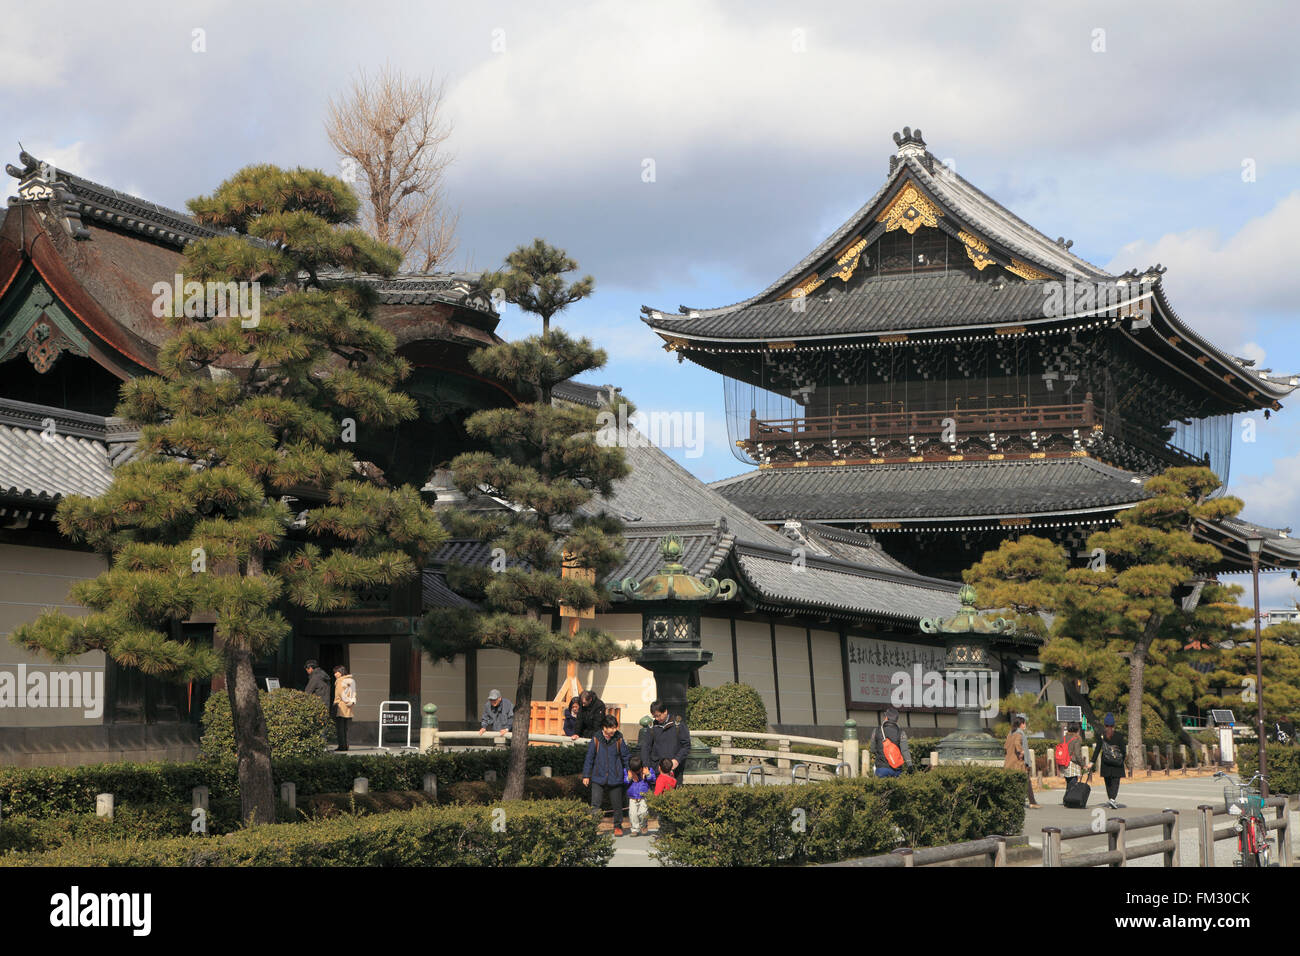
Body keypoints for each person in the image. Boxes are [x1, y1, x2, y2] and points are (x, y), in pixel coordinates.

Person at [583, 714, 630, 836]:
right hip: (598, 776)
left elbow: (626, 757)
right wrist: (586, 775)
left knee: (617, 804)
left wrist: (629, 770)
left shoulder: (619, 739)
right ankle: (593, 827)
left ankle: (618, 826)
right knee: (595, 804)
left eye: (615, 727)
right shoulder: (596, 739)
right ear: (604, 727)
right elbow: (589, 758)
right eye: (611, 727)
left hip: (615, 776)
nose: (614, 730)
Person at [641, 700, 691, 785]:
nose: (657, 719)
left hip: (674, 770)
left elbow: (686, 745)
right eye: (654, 716)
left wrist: (677, 760)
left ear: (665, 711)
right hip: (657, 769)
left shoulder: (678, 725)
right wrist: (646, 766)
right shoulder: (652, 727)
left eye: (658, 715)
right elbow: (646, 747)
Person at [1090, 712, 1127, 809]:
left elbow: (1097, 749)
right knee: (1115, 782)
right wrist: (1121, 759)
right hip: (1117, 763)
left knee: (1108, 782)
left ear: (1105, 725)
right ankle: (1112, 799)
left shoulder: (1101, 736)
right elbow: (1123, 750)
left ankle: (1111, 799)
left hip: (1106, 762)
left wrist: (1092, 762)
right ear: (1113, 725)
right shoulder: (1119, 736)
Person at [1004, 715, 1040, 809]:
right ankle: (1032, 802)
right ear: (1021, 724)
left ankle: (1016, 801)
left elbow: (1005, 746)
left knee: (1015, 782)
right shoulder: (1020, 733)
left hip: (1009, 762)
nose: (1025, 725)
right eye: (1024, 723)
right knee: (1027, 781)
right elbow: (1017, 743)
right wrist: (1021, 752)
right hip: (1019, 763)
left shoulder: (1010, 733)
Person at [870, 707, 913, 776]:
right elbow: (905, 750)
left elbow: (872, 749)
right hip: (896, 769)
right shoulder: (901, 732)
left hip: (881, 768)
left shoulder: (876, 731)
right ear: (896, 719)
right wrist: (910, 765)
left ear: (886, 718)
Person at [625, 756, 655, 836]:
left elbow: (653, 779)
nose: (637, 773)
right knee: (633, 814)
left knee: (643, 813)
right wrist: (629, 778)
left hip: (643, 797)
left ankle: (643, 825)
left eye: (638, 771)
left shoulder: (647, 769)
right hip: (632, 797)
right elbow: (624, 782)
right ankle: (634, 829)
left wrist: (648, 774)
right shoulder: (628, 772)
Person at [332, 664, 355, 752]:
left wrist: (344, 701)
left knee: (340, 728)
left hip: (340, 706)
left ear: (341, 672)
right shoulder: (351, 680)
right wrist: (350, 702)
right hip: (348, 707)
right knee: (346, 728)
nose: (335, 674)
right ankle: (346, 745)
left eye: (336, 672)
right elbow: (354, 693)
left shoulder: (340, 681)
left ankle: (342, 746)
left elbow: (341, 694)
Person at [1061, 721, 1086, 803]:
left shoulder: (1064, 738)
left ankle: (1066, 800)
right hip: (1072, 763)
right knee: (1073, 784)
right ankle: (1070, 800)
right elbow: (1078, 755)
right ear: (1077, 729)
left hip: (1064, 763)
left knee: (1069, 783)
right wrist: (1083, 764)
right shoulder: (1076, 739)